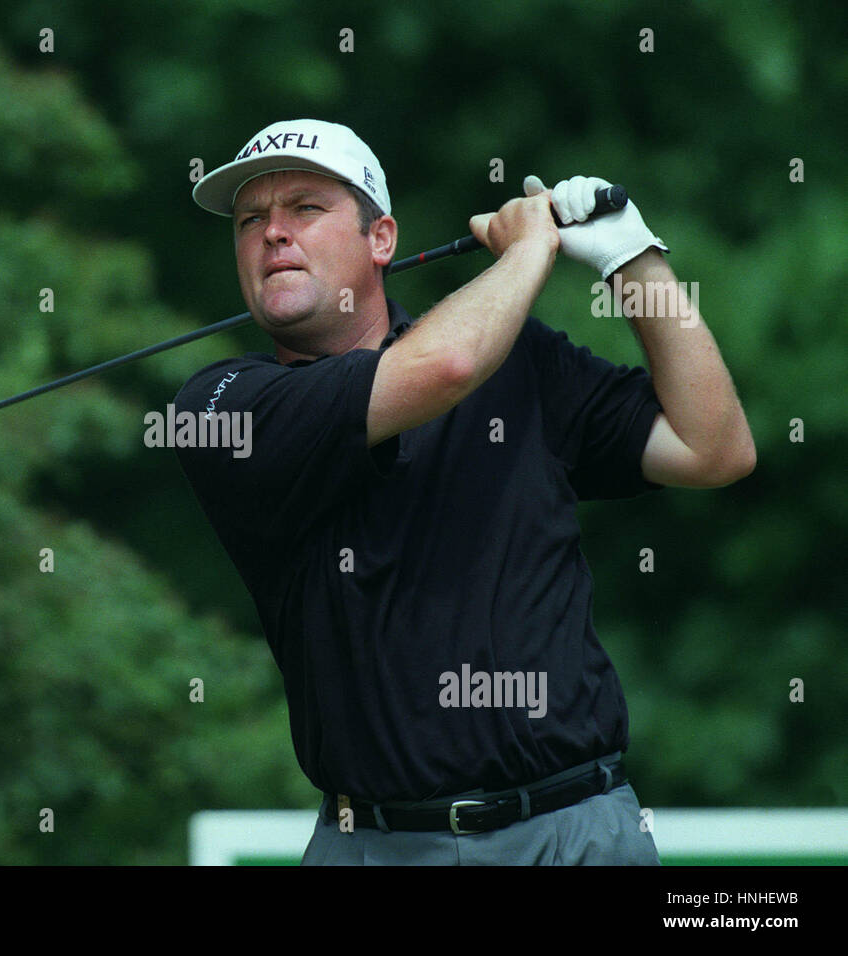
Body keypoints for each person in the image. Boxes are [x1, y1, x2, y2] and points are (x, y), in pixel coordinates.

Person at [174, 118, 755, 865]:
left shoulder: (520, 362)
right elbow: (443, 366)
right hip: (374, 845)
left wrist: (632, 258)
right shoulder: (223, 407)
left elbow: (715, 447)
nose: (273, 234)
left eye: (305, 209)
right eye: (252, 220)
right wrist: (532, 248)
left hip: (576, 831)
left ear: (381, 239)